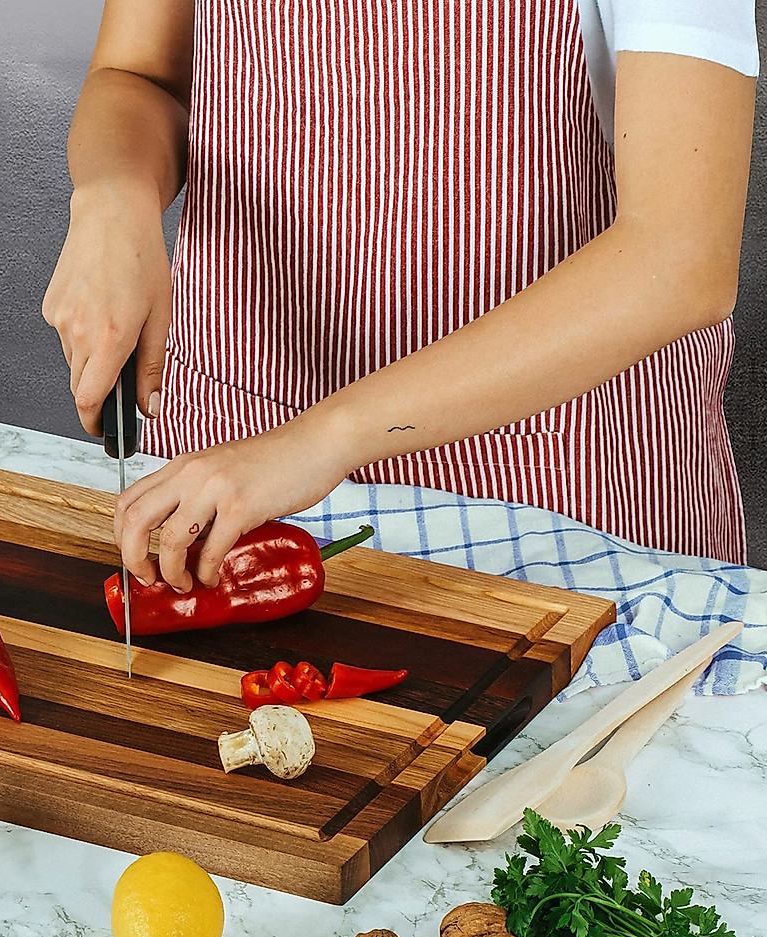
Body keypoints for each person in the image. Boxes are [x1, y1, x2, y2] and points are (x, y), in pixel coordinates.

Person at [43, 0, 758, 588]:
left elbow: (680, 258)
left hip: (551, 511)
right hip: (229, 469)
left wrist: (322, 440)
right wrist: (115, 195)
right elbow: (140, 72)